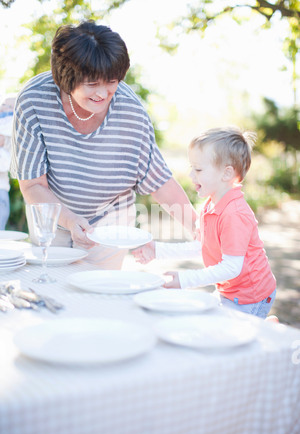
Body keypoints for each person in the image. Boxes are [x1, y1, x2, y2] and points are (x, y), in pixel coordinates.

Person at [11, 21, 197, 268]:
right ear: (65, 78)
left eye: (111, 81)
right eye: (92, 84)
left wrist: (200, 229)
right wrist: (69, 220)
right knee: (54, 288)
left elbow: (159, 181)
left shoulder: (130, 111)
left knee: (96, 295)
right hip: (51, 214)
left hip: (111, 220)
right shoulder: (34, 100)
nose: (103, 93)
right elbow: (33, 184)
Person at [133, 127, 277, 319]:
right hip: (230, 291)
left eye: (198, 169)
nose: (192, 175)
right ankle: (268, 325)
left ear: (226, 174)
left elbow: (231, 268)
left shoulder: (234, 215)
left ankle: (268, 327)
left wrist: (185, 280)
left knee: (228, 344)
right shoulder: (211, 205)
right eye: (191, 167)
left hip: (250, 296)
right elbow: (202, 247)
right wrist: (157, 250)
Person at [0, 95, 15, 230]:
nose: (3, 107)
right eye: (3, 104)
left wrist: (5, 140)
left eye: (8, 106)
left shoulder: (12, 125)